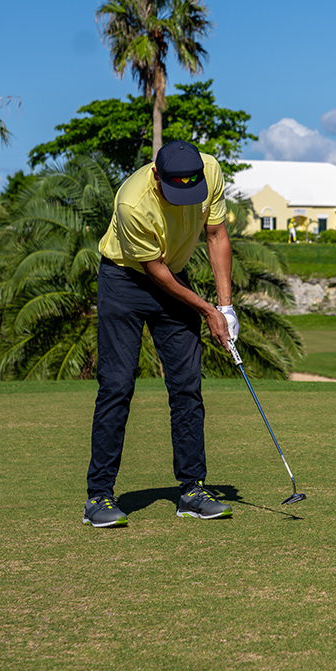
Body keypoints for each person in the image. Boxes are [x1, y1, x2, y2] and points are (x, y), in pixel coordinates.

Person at [83, 139, 241, 527]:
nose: (186, 199)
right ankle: (98, 497)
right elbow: (156, 274)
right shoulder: (132, 203)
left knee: (186, 385)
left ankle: (191, 489)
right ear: (157, 175)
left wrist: (226, 306)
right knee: (117, 385)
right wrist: (206, 310)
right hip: (126, 280)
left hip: (174, 273)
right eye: (176, 190)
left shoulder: (211, 170)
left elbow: (217, 235)